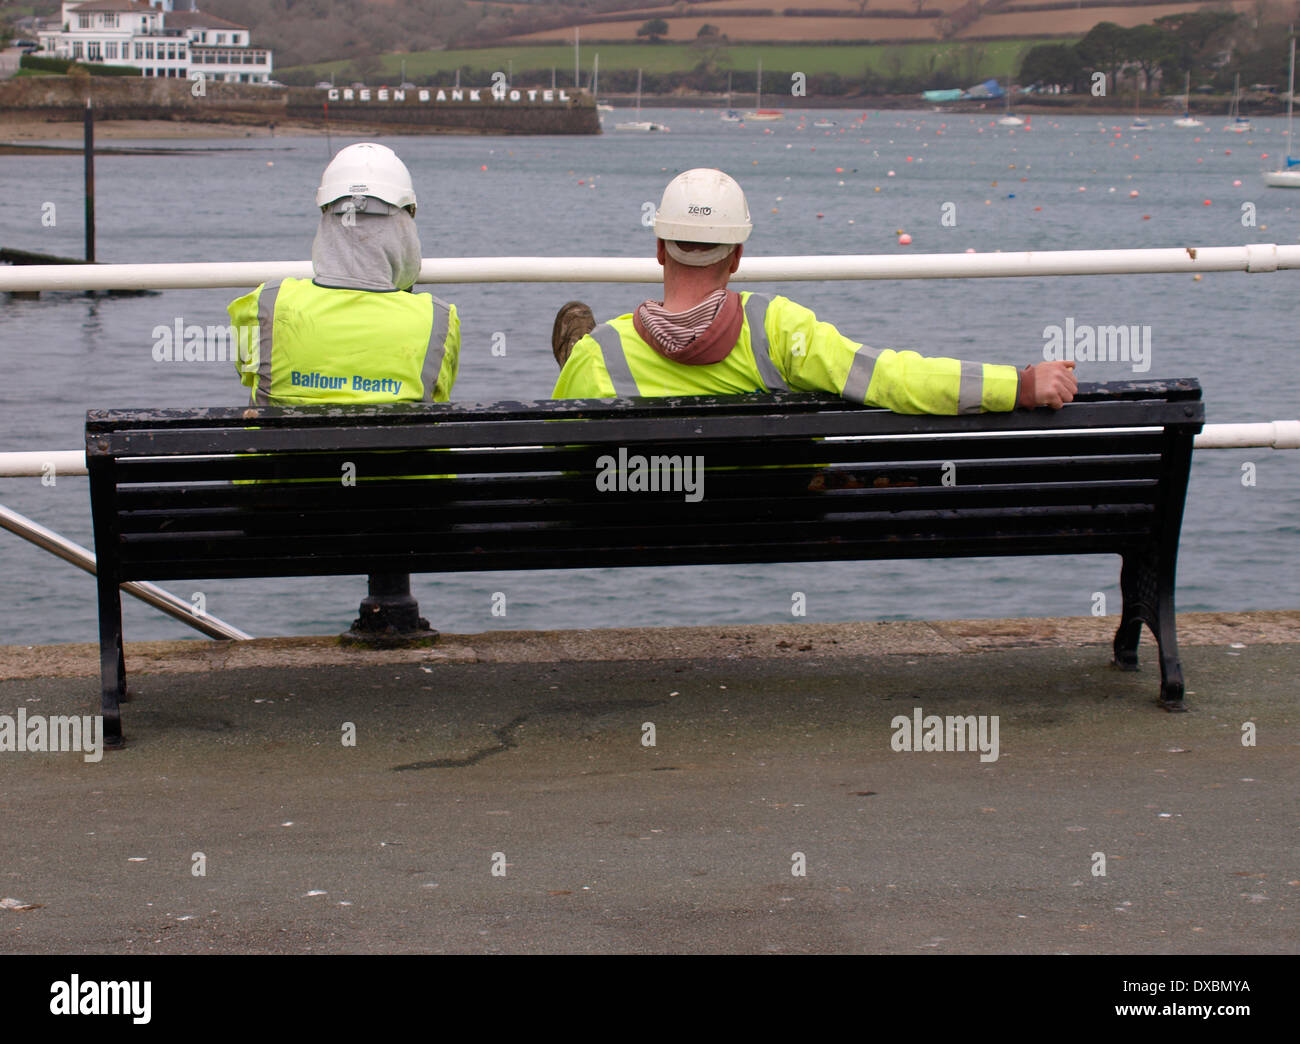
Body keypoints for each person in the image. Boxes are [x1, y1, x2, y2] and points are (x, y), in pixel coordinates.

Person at [552, 167, 1076, 412]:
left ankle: (570, 343)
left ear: (660, 250)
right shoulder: (779, 329)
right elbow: (893, 378)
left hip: (637, 516)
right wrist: (1019, 384)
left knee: (584, 355)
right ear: (737, 257)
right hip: (774, 507)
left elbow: (564, 461)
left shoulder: (605, 354)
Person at [230, 142, 459, 406]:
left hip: (283, 447)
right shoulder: (439, 319)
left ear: (326, 216)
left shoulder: (264, 305)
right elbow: (437, 396)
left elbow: (250, 374)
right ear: (404, 227)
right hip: (401, 448)